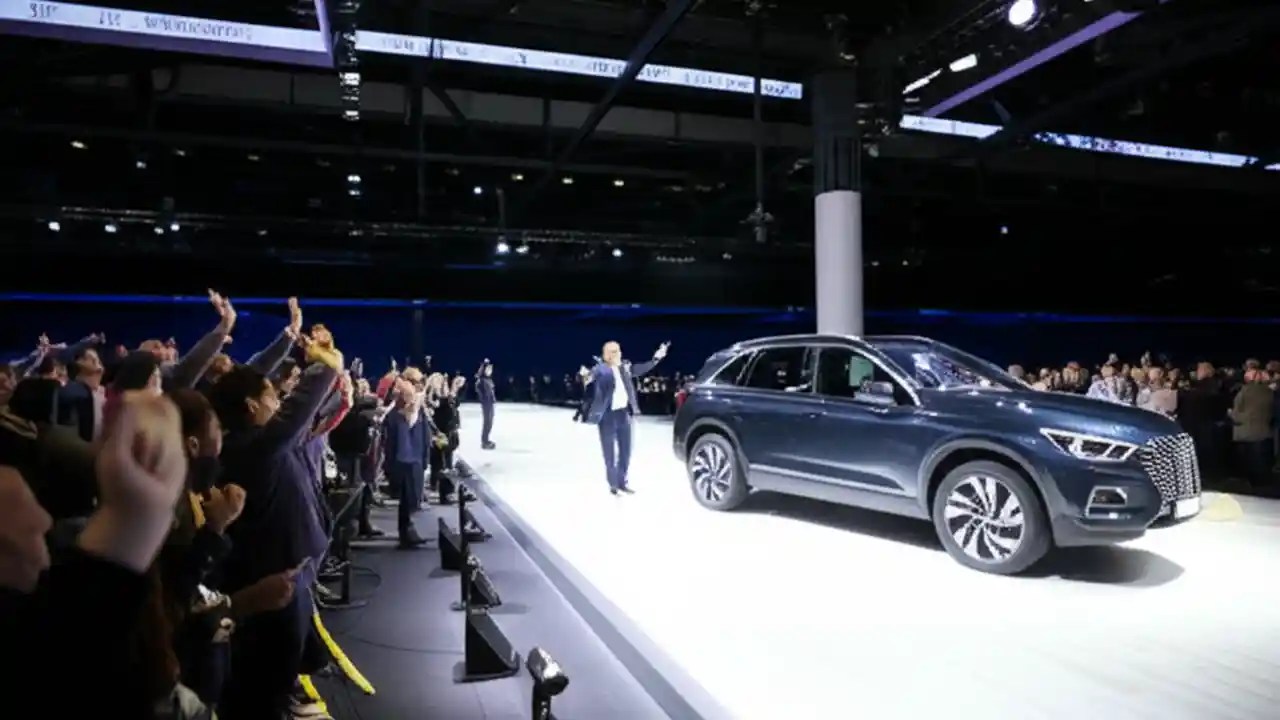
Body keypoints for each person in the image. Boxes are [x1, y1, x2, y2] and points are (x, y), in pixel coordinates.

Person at [584, 340, 668, 495]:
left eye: (619, 351)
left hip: (624, 414)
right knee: (609, 452)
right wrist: (585, 376)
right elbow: (589, 377)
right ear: (607, 355)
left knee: (625, 451)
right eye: (614, 352)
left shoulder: (625, 368)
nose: (619, 354)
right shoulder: (601, 369)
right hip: (607, 416)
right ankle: (613, 484)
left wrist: (657, 358)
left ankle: (622, 482)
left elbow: (642, 368)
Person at [477, 359, 497, 450]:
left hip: (490, 403)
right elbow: (480, 392)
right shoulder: (481, 380)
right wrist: (485, 401)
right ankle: (484, 441)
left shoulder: (488, 380)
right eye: (488, 369)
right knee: (487, 422)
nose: (490, 371)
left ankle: (486, 440)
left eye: (491, 369)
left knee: (490, 422)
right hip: (486, 404)